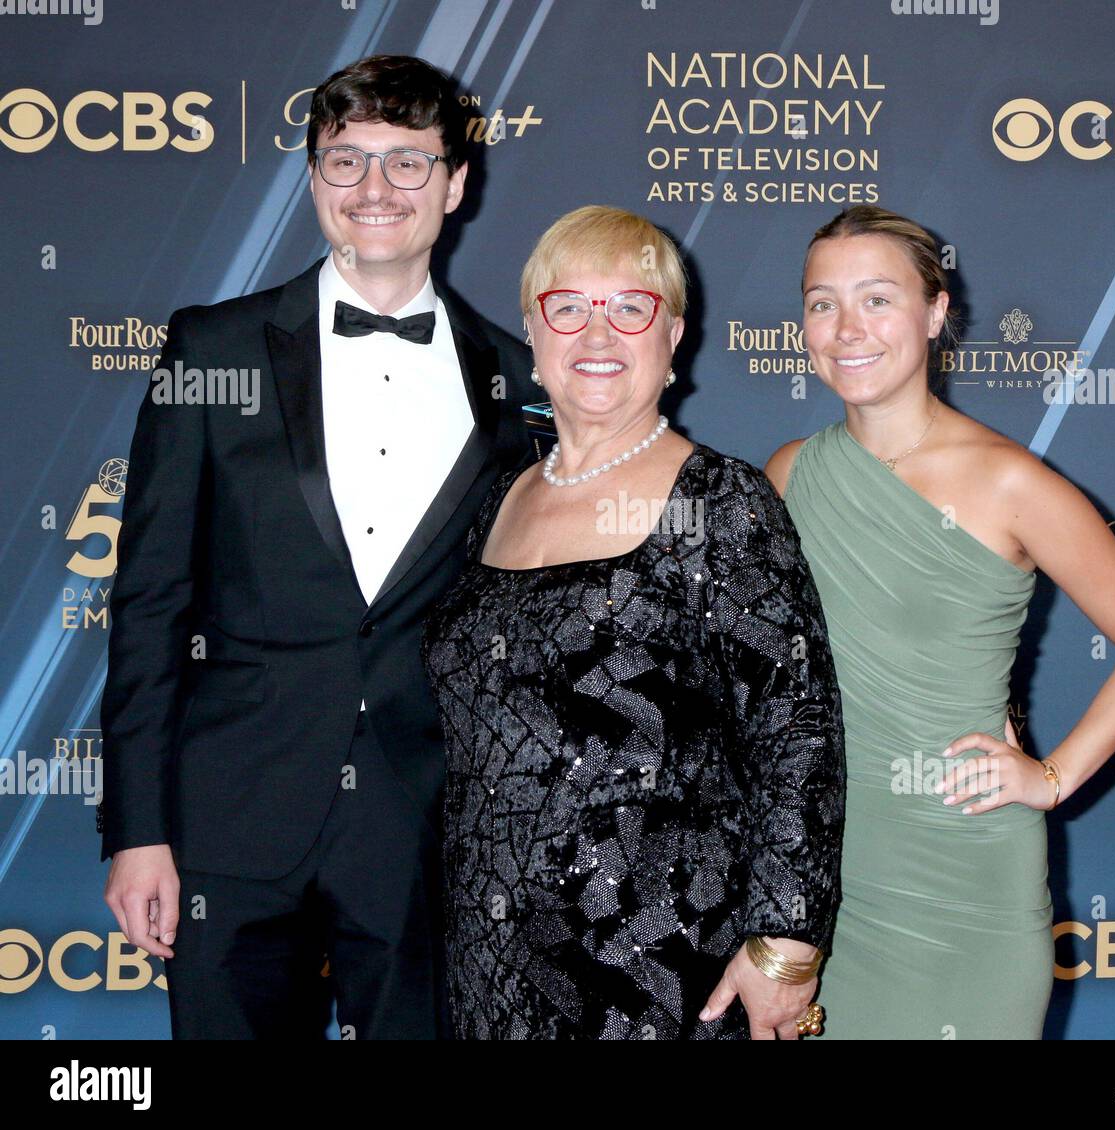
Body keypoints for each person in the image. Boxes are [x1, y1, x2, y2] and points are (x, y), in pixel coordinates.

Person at [97, 55, 534, 1038]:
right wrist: (138, 828)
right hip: (227, 816)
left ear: (456, 183)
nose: (374, 189)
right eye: (345, 161)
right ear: (310, 179)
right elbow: (151, 600)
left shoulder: (518, 382)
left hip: (423, 824)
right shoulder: (211, 348)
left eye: (407, 162)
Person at [420, 205, 846, 1039]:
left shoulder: (718, 502)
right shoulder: (495, 500)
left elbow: (797, 730)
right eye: (568, 306)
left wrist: (786, 948)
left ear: (673, 335)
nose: (597, 333)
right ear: (534, 336)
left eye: (631, 307)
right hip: (489, 952)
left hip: (654, 961)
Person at [766, 204, 1115, 1039]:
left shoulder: (1007, 482)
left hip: (960, 872)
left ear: (933, 313)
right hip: (818, 873)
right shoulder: (788, 473)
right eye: (823, 302)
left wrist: (1054, 776)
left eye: (878, 299)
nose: (848, 327)